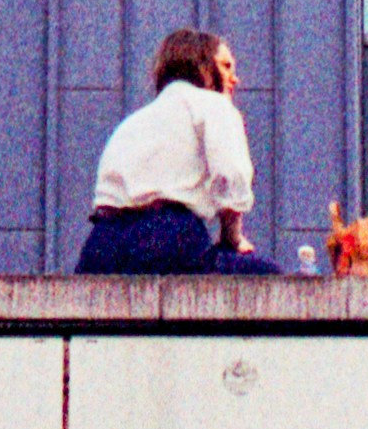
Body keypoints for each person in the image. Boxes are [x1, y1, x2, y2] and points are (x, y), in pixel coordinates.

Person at [74, 29, 282, 277]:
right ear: (203, 66)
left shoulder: (133, 122)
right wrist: (232, 239)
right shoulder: (215, 106)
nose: (234, 79)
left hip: (102, 244)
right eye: (226, 66)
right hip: (168, 236)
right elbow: (232, 175)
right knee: (269, 276)